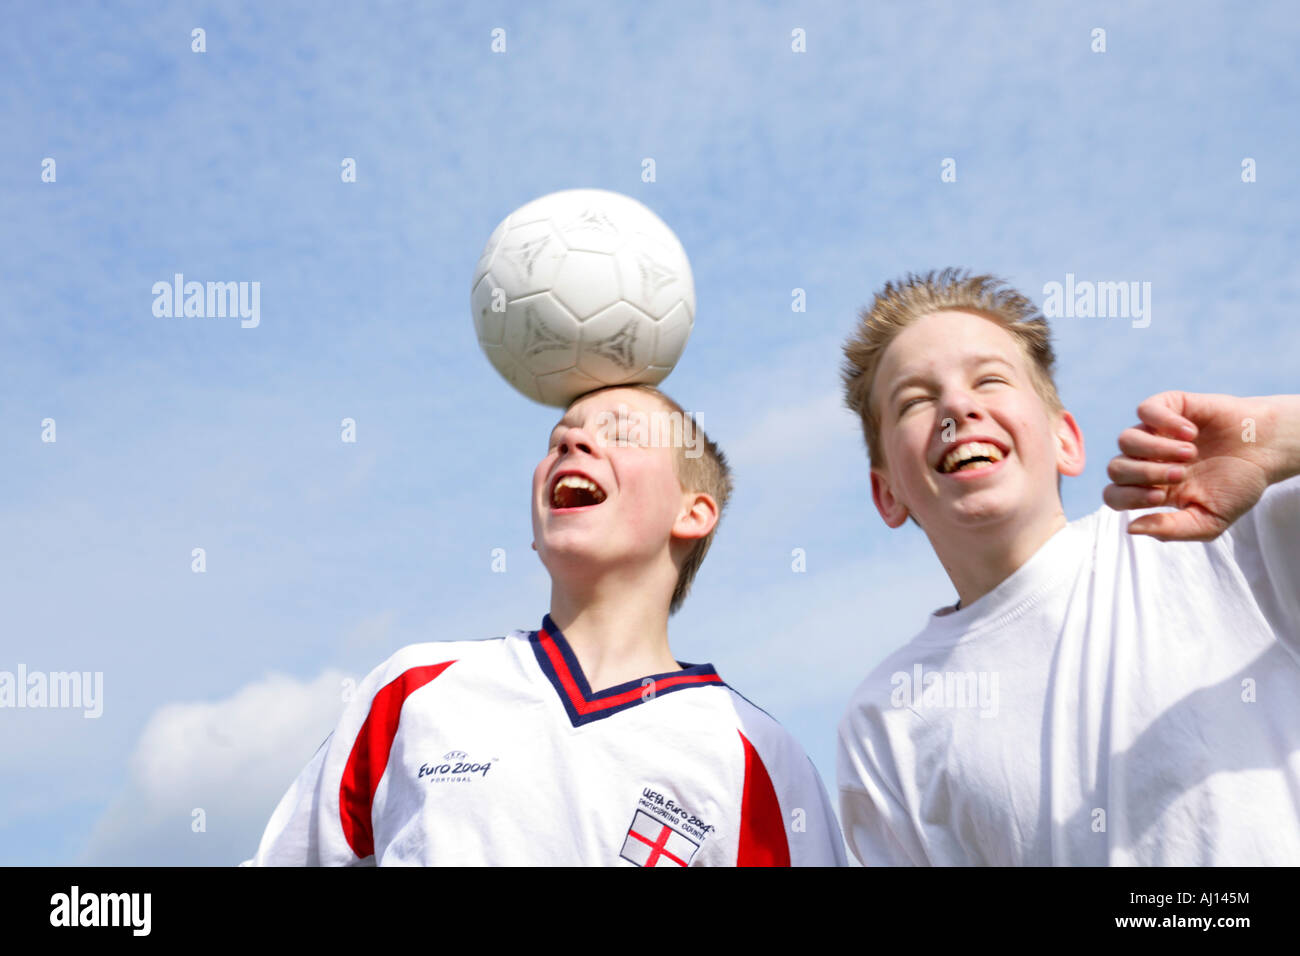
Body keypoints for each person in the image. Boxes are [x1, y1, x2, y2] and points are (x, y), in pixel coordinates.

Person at [244, 384, 846, 866]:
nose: (573, 444)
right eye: (559, 439)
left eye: (622, 434)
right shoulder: (412, 692)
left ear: (693, 512)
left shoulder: (756, 758)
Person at [835, 268, 1300, 865]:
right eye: (916, 401)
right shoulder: (886, 718)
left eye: (991, 379)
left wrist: (1281, 436)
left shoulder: (1214, 537)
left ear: (1066, 441)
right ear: (887, 494)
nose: (956, 406)